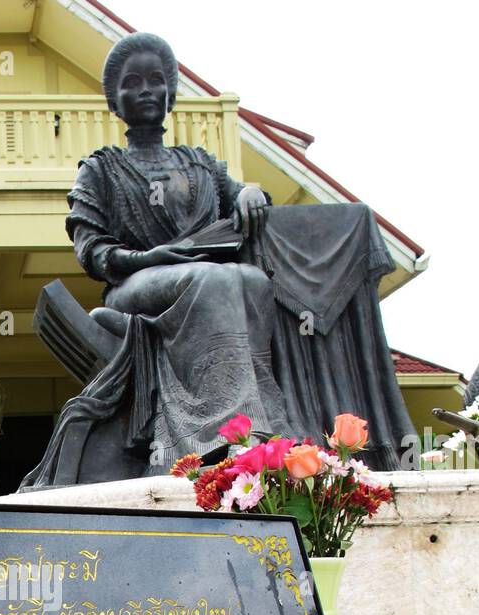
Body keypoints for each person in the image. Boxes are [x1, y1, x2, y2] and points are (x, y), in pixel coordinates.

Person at [20, 31, 293, 489]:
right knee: (212, 281)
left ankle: (270, 420)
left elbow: (240, 196)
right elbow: (92, 251)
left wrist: (251, 192)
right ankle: (225, 433)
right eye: (132, 83)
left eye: (155, 80)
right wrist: (150, 256)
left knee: (253, 280)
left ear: (170, 93)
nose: (145, 90)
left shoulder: (201, 164)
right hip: (136, 283)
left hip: (201, 273)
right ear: (115, 100)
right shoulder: (101, 169)